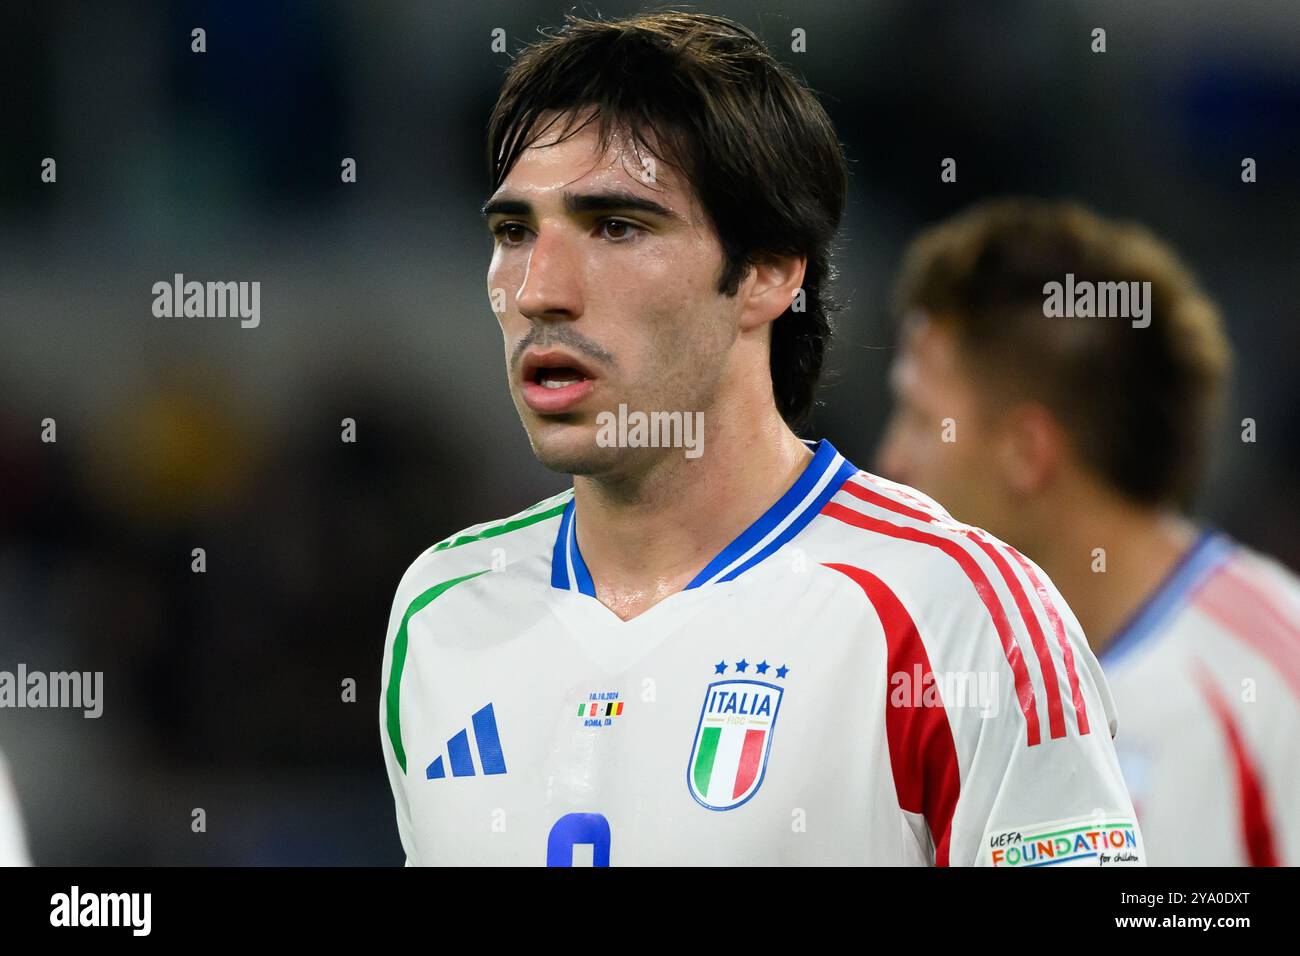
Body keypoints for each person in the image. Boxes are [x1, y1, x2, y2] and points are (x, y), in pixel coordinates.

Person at [380, 13, 1141, 866]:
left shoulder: (954, 617)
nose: (538, 290)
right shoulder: (441, 610)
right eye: (515, 231)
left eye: (616, 227)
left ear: (772, 272)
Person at [877, 198, 1299, 865]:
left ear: (1026, 451)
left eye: (921, 419)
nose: (892, 460)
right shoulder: (931, 673)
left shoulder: (1275, 685)